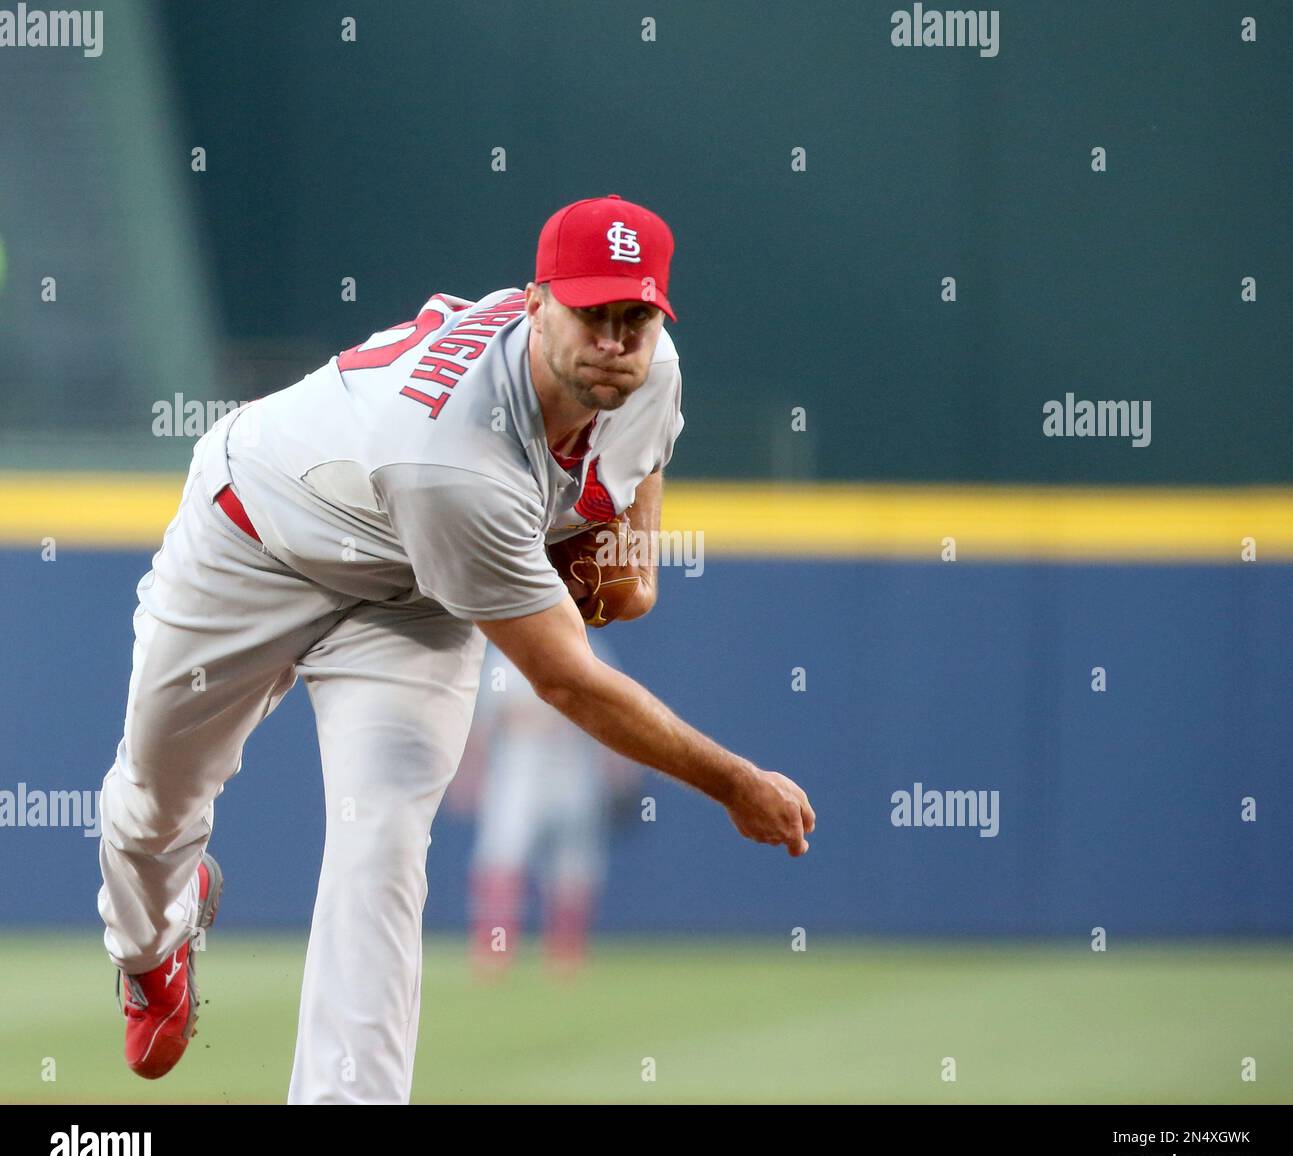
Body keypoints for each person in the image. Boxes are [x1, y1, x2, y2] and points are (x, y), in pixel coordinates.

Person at [96, 194, 815, 1105]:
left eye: (634, 314)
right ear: (532, 303)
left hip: (413, 604)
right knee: (153, 802)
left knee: (383, 837)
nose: (614, 337)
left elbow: (644, 457)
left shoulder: (651, 369)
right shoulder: (453, 458)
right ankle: (150, 940)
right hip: (254, 541)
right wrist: (735, 783)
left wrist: (634, 556)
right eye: (590, 311)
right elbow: (567, 682)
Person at [464, 639, 638, 976]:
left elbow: (614, 711)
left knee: (573, 865)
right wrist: (473, 775)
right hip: (519, 771)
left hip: (573, 771)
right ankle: (494, 949)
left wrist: (619, 766)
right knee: (501, 858)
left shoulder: (588, 648)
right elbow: (486, 720)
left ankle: (565, 954)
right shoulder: (508, 647)